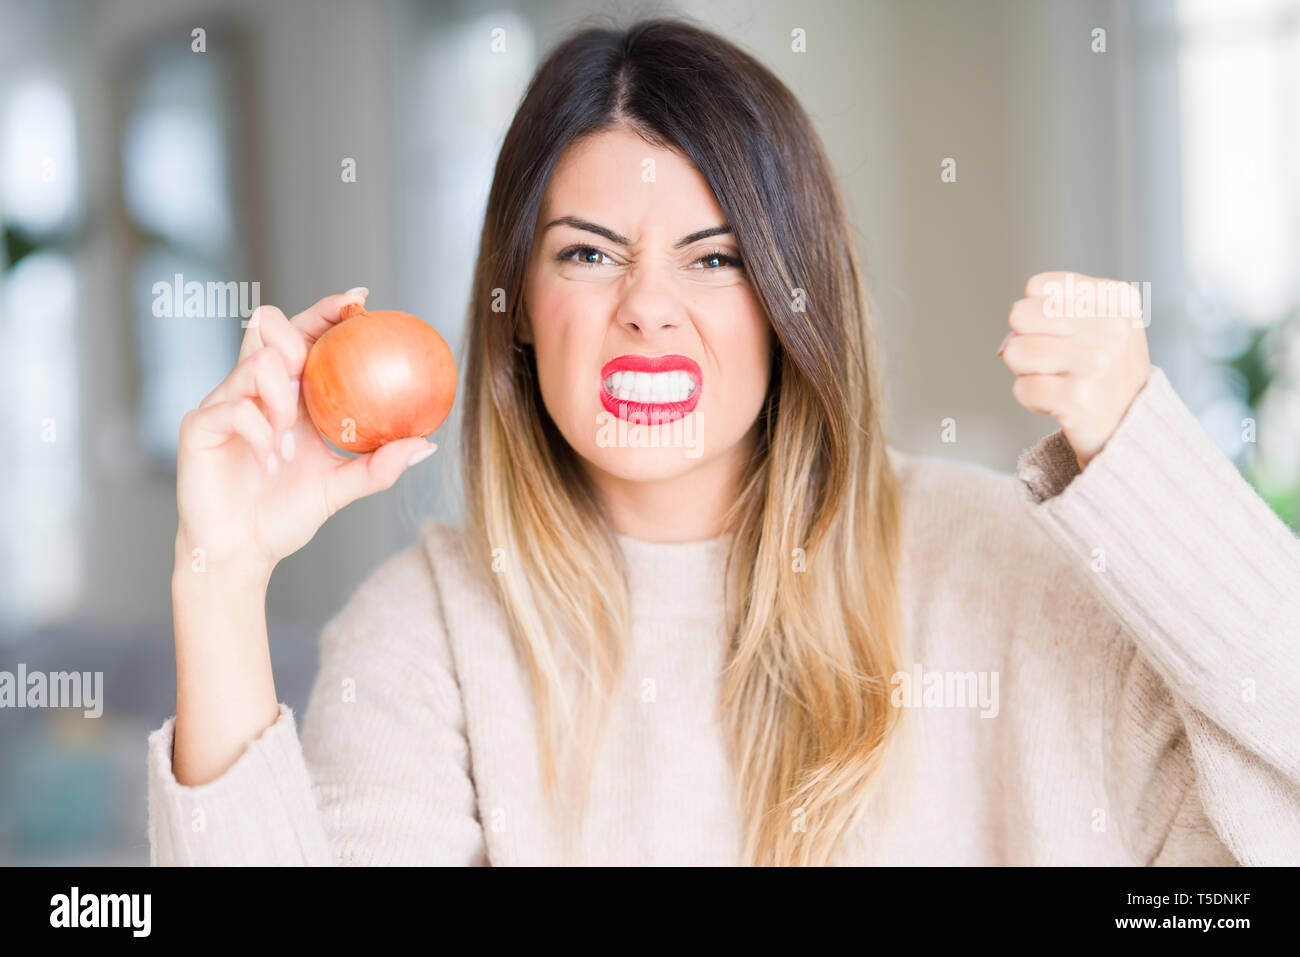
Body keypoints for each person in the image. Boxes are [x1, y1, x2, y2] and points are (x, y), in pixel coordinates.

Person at [149, 18, 1300, 866]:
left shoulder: (1004, 570)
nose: (649, 307)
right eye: (589, 253)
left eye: (716, 258)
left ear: (793, 302)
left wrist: (1148, 467)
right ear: (517, 308)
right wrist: (224, 575)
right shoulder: (430, 632)